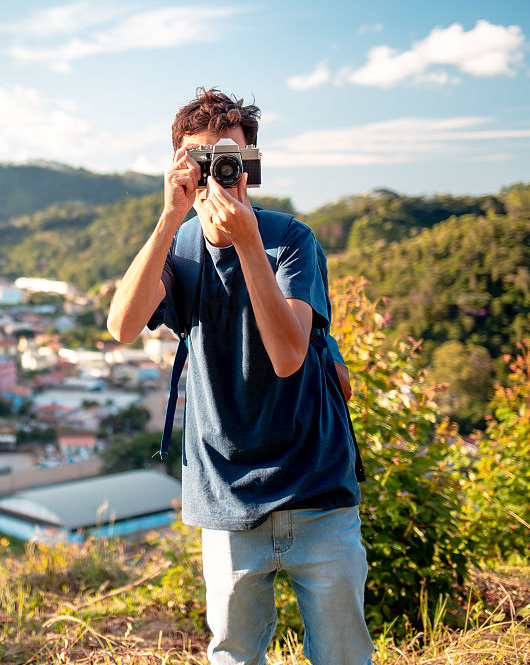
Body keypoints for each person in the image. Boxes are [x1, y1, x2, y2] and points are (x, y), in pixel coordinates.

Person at [106, 88, 372, 665]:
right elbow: (122, 326)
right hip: (224, 492)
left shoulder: (290, 240)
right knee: (232, 655)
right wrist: (168, 217)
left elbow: (288, 356)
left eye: (227, 158)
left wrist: (249, 242)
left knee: (344, 656)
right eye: (200, 161)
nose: (216, 174)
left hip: (316, 486)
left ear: (250, 163)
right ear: (180, 165)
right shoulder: (175, 247)